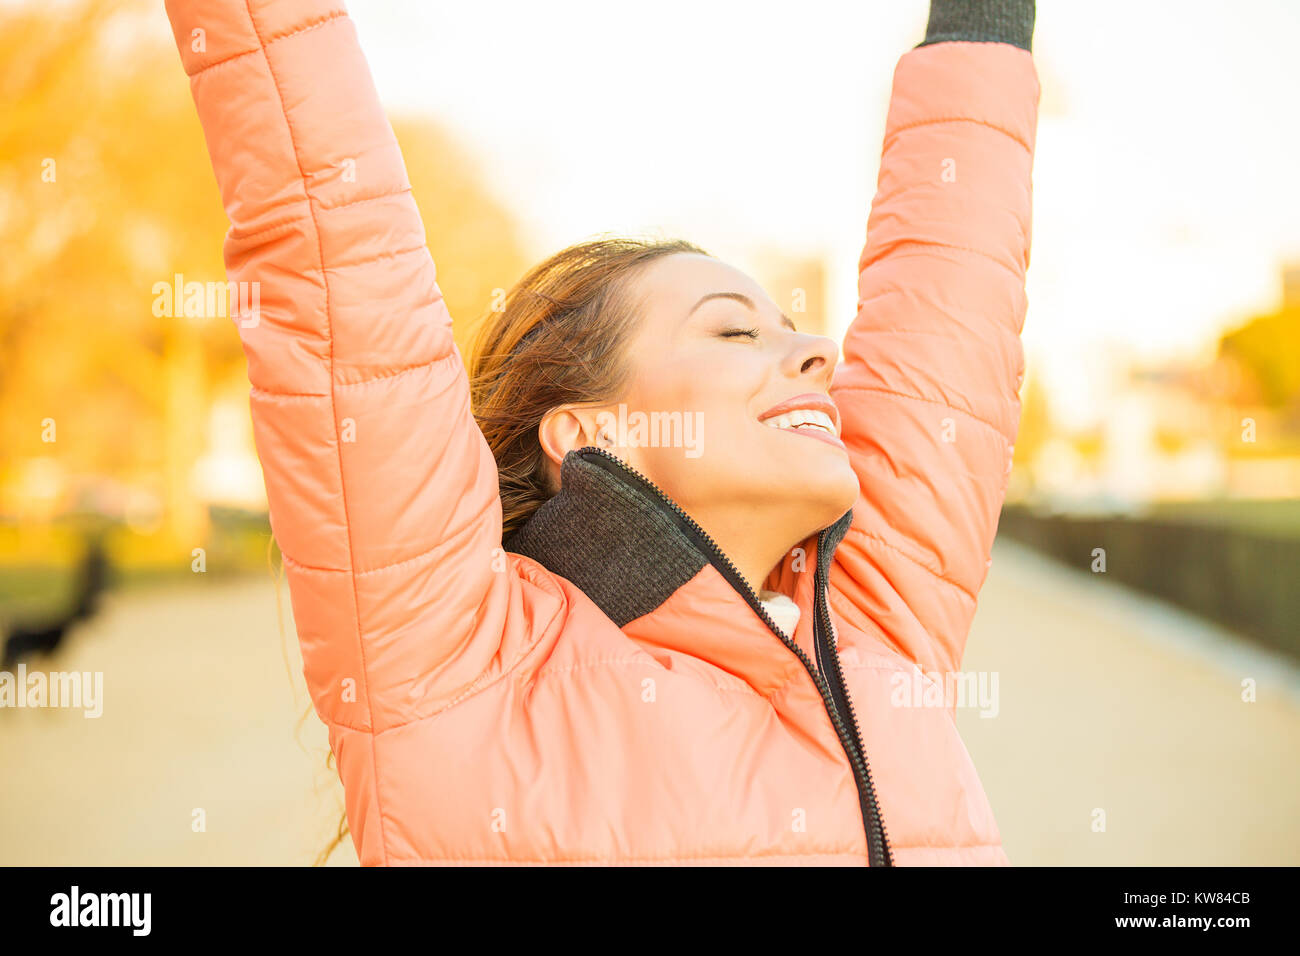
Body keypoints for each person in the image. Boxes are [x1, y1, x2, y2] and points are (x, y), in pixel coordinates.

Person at [165, 0, 1039, 865]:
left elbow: (952, 296)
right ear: (594, 434)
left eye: (790, 326)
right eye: (737, 331)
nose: (818, 351)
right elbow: (332, 249)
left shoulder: (871, 634)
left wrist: (985, 17)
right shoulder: (460, 671)